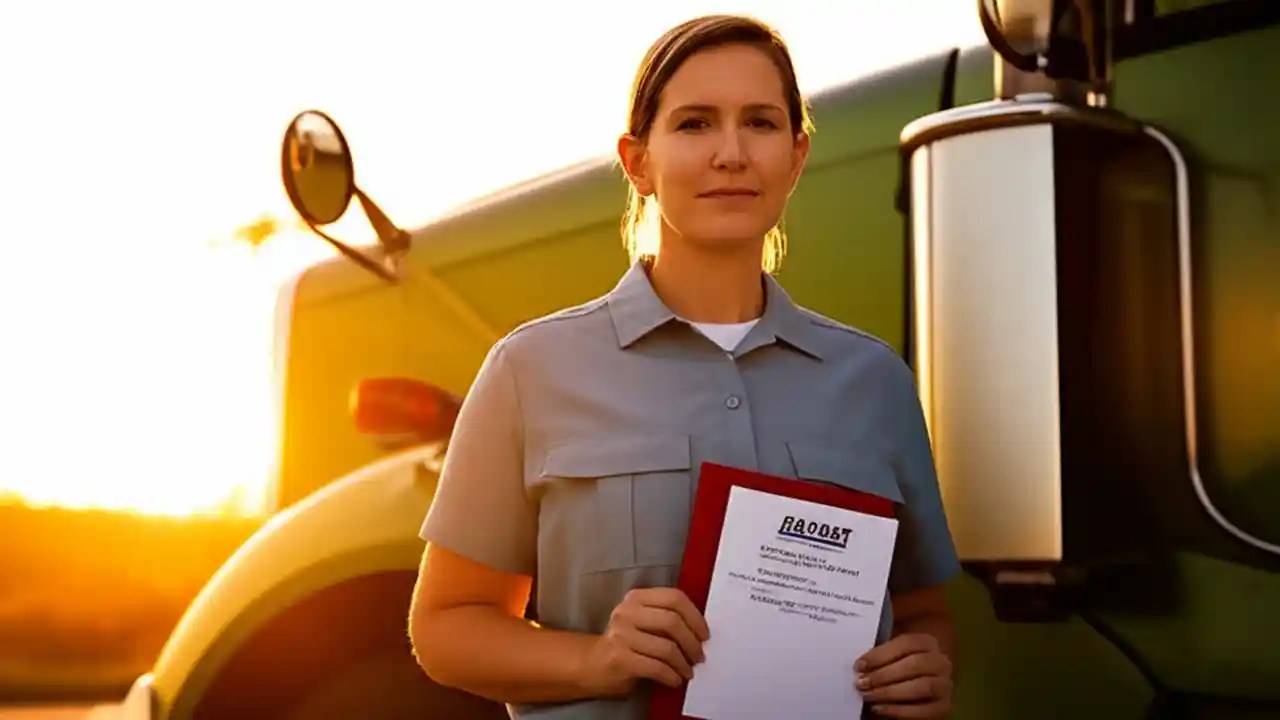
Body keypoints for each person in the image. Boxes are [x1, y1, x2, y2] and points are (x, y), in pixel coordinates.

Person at [408, 13, 960, 720]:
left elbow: (924, 616)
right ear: (638, 161)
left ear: (796, 156)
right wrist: (597, 659)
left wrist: (923, 669)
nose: (731, 153)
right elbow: (446, 627)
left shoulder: (875, 382)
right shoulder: (531, 371)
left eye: (759, 123)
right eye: (695, 124)